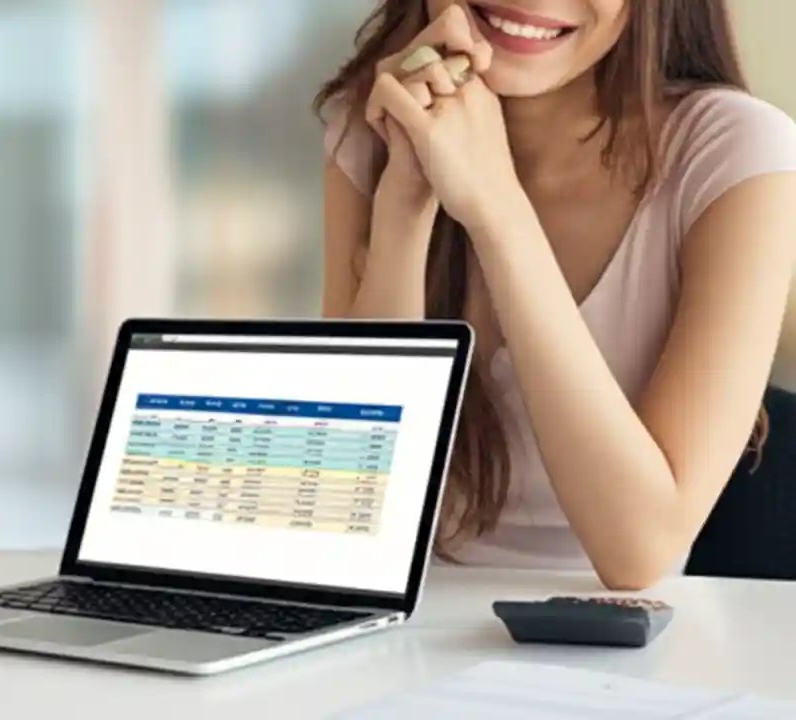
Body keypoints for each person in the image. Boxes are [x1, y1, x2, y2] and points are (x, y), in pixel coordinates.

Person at [317, 0, 796, 588]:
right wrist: (404, 203)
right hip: (397, 632)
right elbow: (343, 516)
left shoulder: (735, 152)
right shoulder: (370, 125)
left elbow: (638, 551)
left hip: (617, 648)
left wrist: (496, 206)